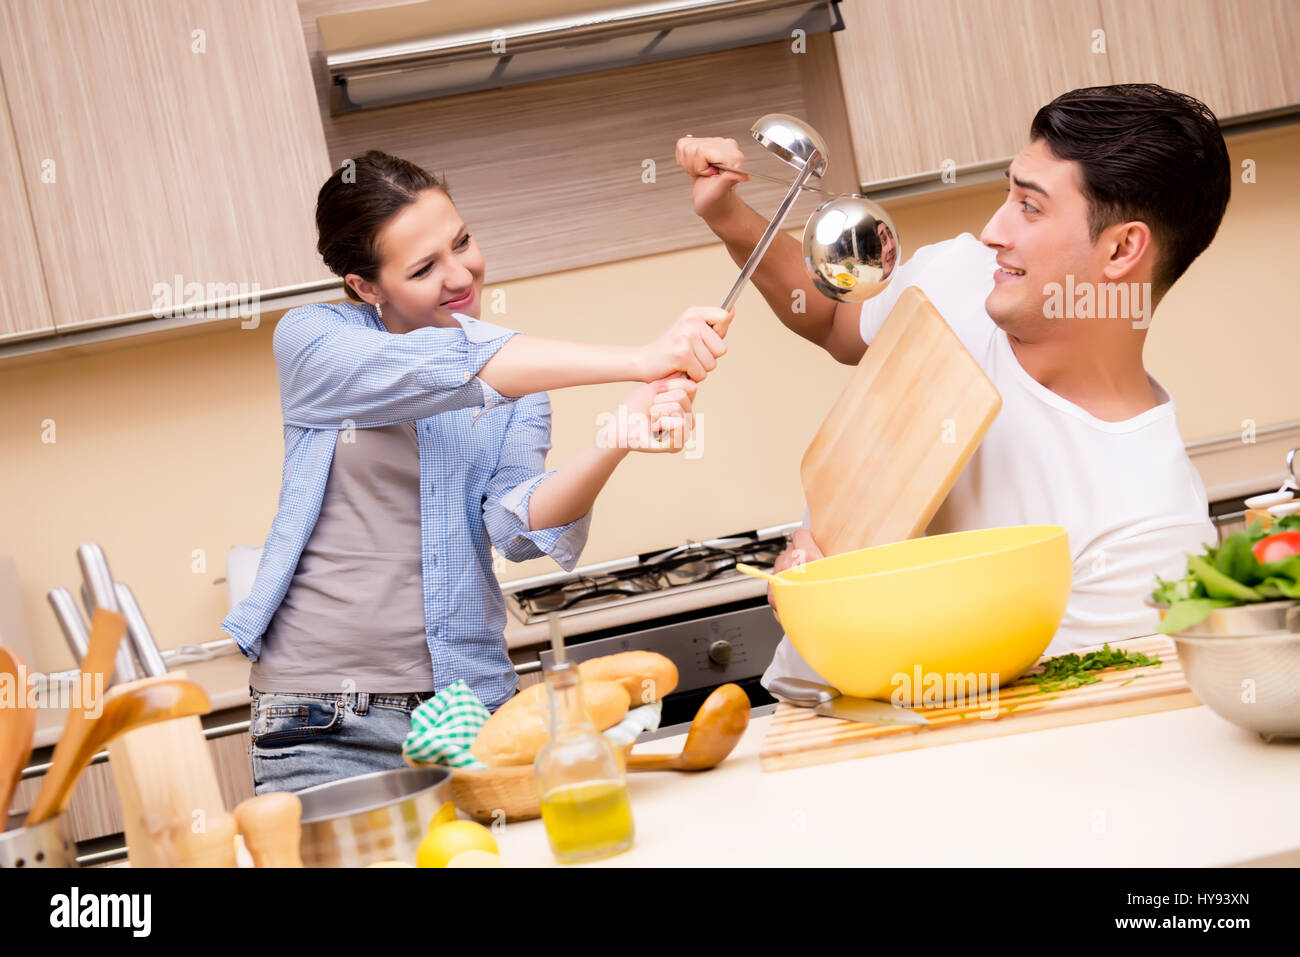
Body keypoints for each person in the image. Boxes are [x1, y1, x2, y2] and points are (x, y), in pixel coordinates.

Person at [675, 84, 1229, 684]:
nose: (993, 230)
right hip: (800, 720)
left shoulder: (1152, 526)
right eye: (1008, 194)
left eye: (1030, 206)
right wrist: (727, 216)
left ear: (1122, 248)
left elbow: (1031, 713)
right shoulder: (962, 279)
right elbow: (836, 320)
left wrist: (835, 603)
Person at [222, 150, 731, 793]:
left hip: (470, 709)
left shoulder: (522, 381)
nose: (461, 275)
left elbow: (516, 527)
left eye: (461, 242)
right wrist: (643, 358)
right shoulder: (314, 341)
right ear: (365, 286)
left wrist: (617, 437)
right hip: (326, 725)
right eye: (424, 267)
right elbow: (441, 366)